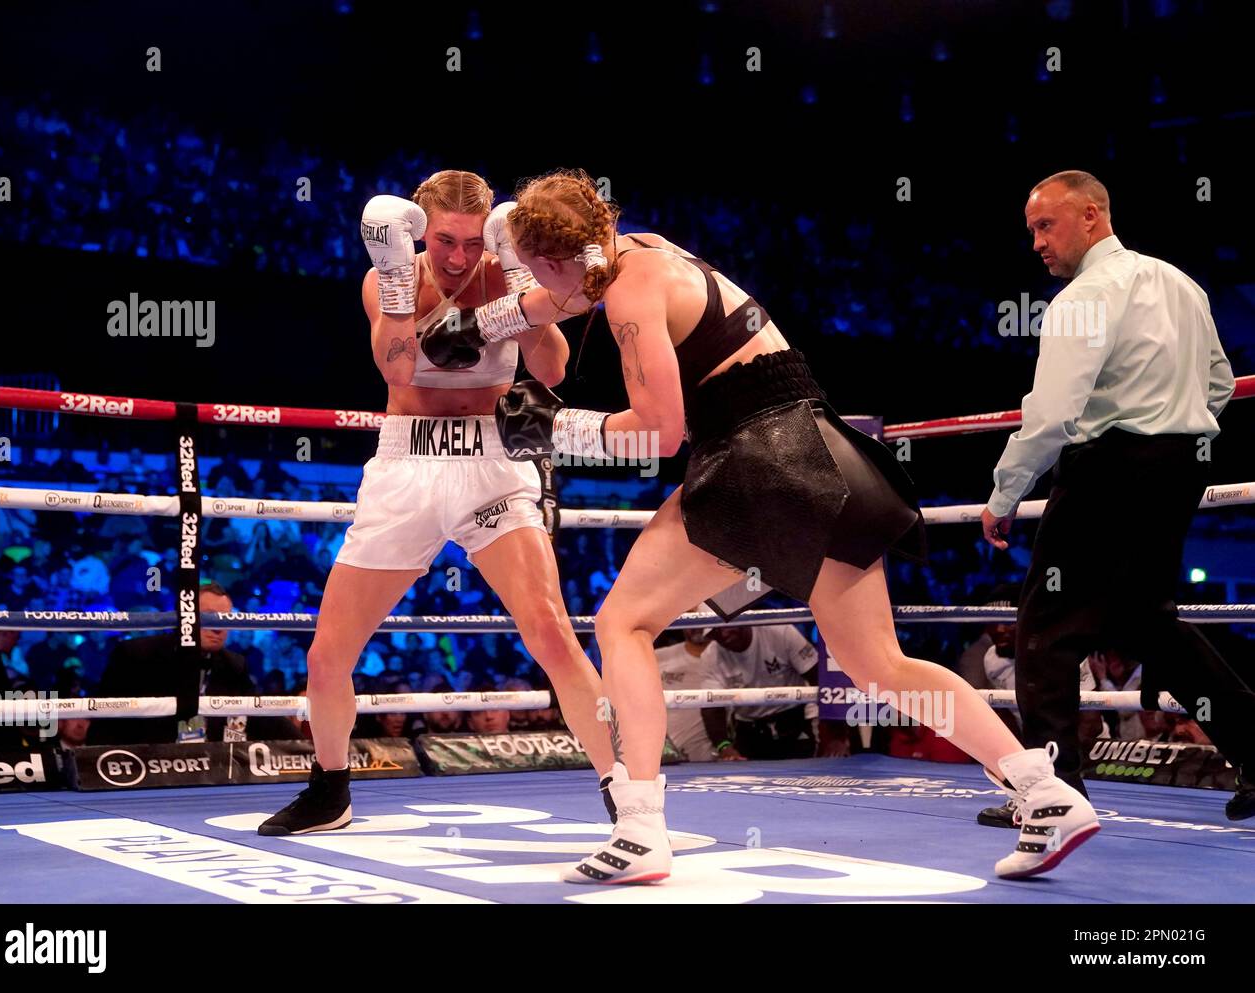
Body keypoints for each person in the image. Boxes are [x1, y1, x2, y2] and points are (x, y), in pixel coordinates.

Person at [423, 168, 1099, 882]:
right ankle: (1043, 789)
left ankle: (640, 828)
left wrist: (558, 426)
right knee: (879, 664)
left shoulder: (627, 292)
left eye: (535, 268)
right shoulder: (638, 251)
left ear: (557, 255)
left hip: (759, 459)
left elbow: (659, 432)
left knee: (623, 622)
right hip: (822, 452)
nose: (539, 283)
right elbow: (558, 297)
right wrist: (480, 324)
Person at [260, 172, 618, 837]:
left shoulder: (505, 271)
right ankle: (329, 790)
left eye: (472, 241)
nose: (458, 257)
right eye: (444, 241)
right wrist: (400, 285)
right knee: (327, 653)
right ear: (420, 231)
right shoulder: (388, 276)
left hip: (490, 460)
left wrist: (515, 283)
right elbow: (397, 369)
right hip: (406, 461)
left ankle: (624, 792)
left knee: (551, 632)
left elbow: (552, 371)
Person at [980, 170, 1255, 823]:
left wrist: (1004, 492)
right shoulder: (1181, 284)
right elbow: (1218, 382)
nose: (1037, 244)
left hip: (1111, 467)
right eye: (1031, 231)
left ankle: (1056, 792)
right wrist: (1174, 427)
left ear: (1092, 215)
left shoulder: (1084, 297)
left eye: (1046, 225)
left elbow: (1050, 414)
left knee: (1045, 628)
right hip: (1179, 465)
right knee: (1151, 626)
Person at [88, 582, 294, 745]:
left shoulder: (234, 664)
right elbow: (106, 723)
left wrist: (308, 750)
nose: (219, 628)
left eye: (226, 619)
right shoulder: (137, 655)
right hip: (144, 769)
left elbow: (262, 717)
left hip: (211, 774)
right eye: (210, 617)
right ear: (186, 617)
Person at [702, 624, 819, 761]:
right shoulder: (711, 655)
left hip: (795, 720)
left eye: (726, 627)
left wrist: (834, 733)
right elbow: (710, 706)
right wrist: (724, 746)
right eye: (715, 632)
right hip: (749, 729)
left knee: (804, 776)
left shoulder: (781, 632)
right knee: (746, 779)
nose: (723, 634)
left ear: (742, 620)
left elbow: (818, 677)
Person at [654, 624, 721, 762]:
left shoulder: (726, 657)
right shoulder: (660, 657)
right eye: (691, 615)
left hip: (710, 755)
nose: (697, 625)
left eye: (702, 617)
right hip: (661, 753)